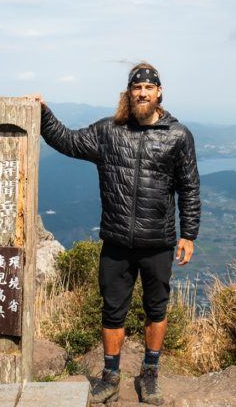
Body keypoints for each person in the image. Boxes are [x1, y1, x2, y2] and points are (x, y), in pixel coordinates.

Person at [27, 62, 200, 405]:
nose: (142, 93)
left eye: (148, 88)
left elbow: (189, 187)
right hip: (117, 241)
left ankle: (150, 374)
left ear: (159, 92)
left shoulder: (178, 136)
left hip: (158, 242)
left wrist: (188, 233)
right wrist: (44, 114)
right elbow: (69, 142)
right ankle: (110, 376)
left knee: (157, 309)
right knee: (112, 311)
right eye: (136, 88)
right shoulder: (109, 131)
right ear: (129, 92)